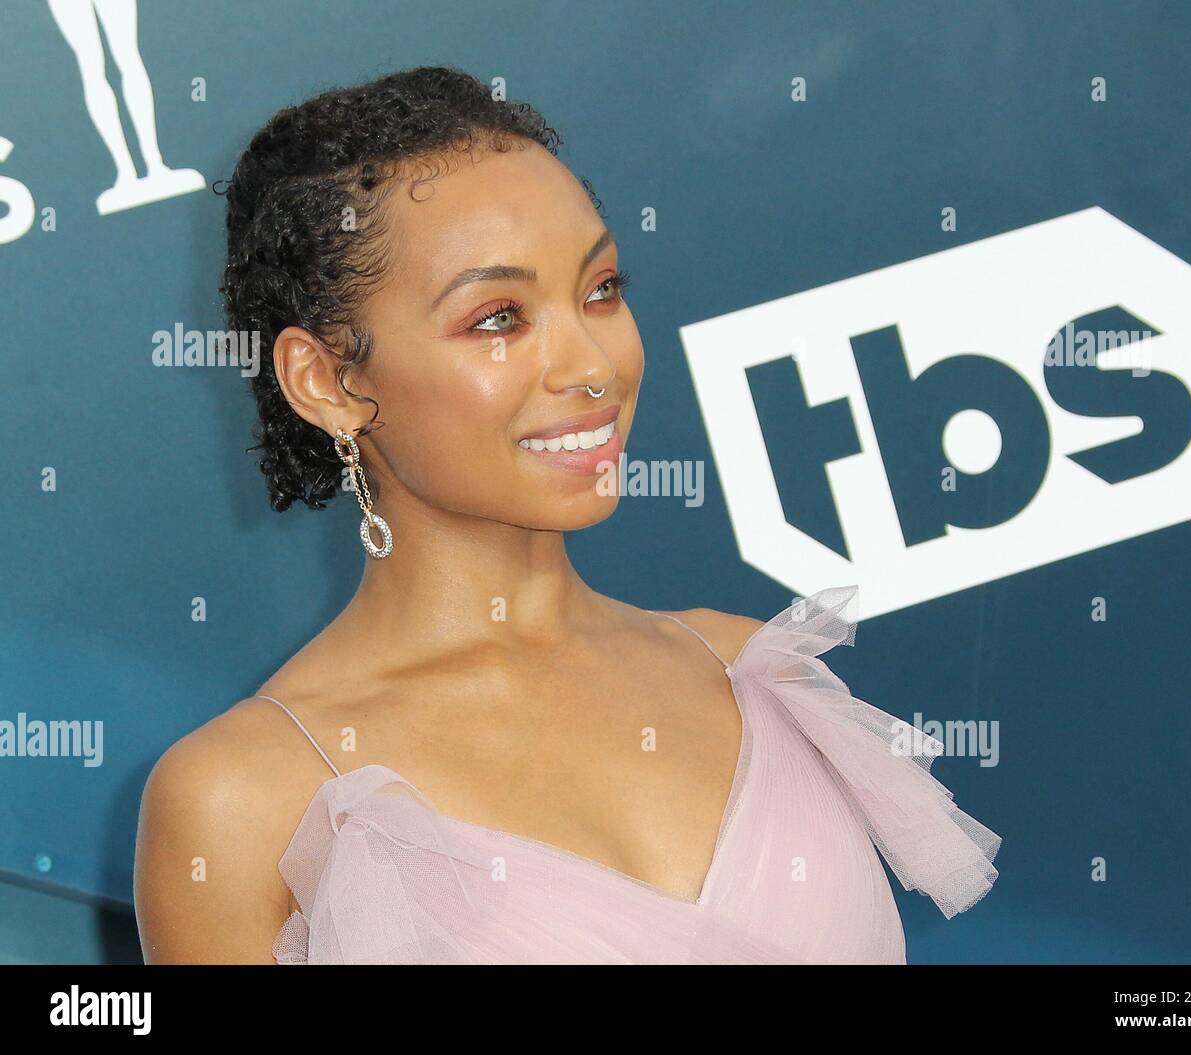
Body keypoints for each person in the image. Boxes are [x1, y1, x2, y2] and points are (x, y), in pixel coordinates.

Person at [133, 66, 1000, 964]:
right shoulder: (242, 797)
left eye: (601, 290)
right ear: (330, 380)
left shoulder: (751, 675)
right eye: (499, 317)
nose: (593, 363)